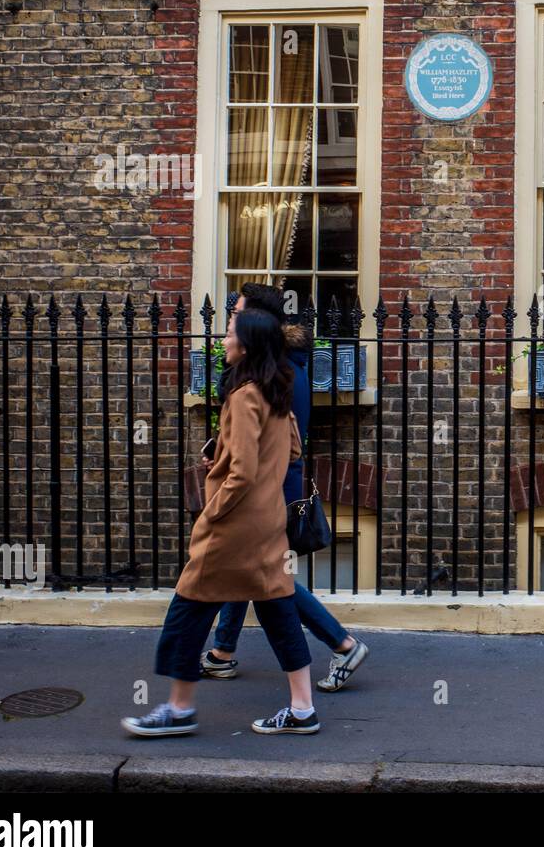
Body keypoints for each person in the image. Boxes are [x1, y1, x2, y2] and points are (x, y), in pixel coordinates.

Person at [123, 308, 319, 736]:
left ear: (246, 344)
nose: (223, 340)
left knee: (188, 607)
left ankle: (178, 708)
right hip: (269, 522)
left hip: (234, 525)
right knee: (279, 610)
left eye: (229, 333)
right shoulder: (277, 391)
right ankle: (302, 708)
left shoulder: (245, 394)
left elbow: (243, 472)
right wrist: (235, 454)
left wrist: (212, 511)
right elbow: (294, 451)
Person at [200, 283, 369, 693]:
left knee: (268, 573)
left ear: (259, 321)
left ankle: (342, 644)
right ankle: (222, 651)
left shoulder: (284, 369)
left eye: (238, 315)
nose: (230, 323)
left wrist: (232, 486)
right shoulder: (273, 365)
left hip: (269, 489)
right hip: (263, 486)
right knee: (249, 567)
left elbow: (283, 441)